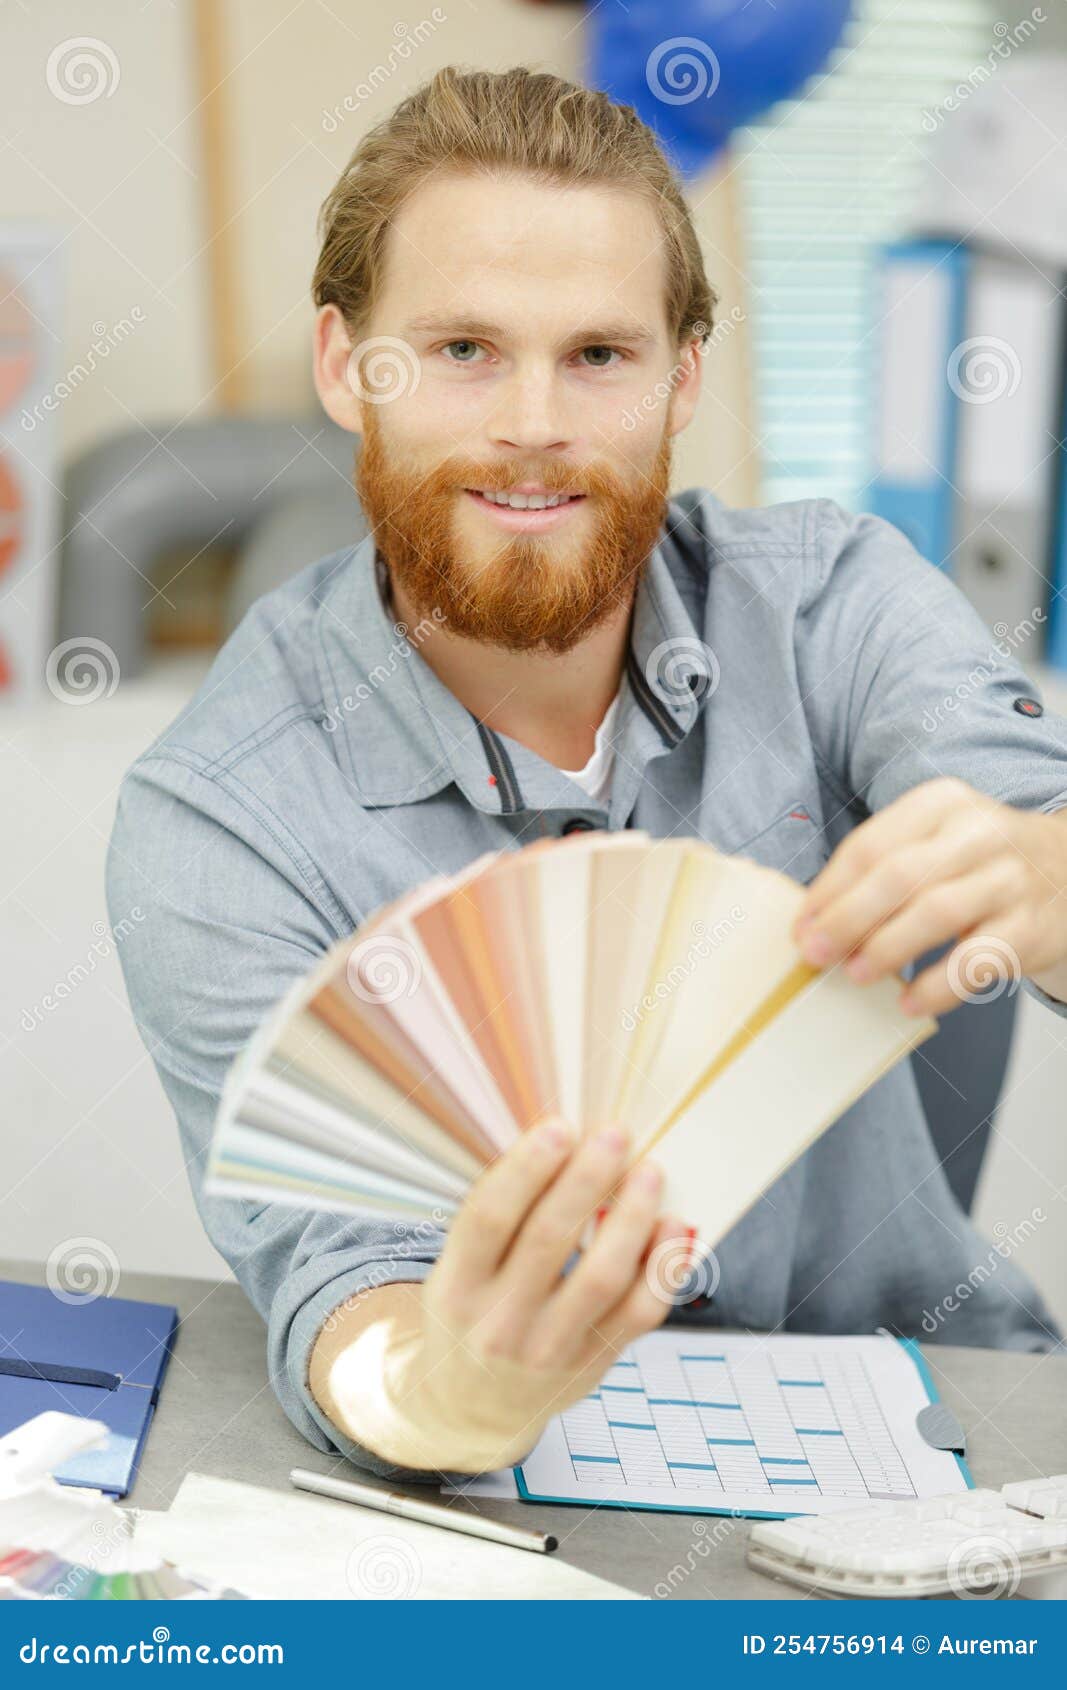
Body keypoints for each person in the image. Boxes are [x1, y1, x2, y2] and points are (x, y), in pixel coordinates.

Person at [108, 65, 1067, 1484]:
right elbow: (346, 1293)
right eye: (463, 351)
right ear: (343, 363)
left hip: (948, 1440)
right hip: (506, 1494)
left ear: (684, 374)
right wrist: (453, 1388)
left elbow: (1035, 831)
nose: (535, 424)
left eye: (600, 357)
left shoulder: (839, 603)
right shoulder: (219, 820)